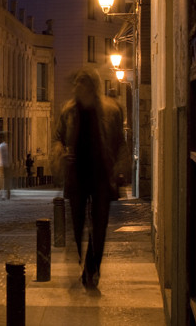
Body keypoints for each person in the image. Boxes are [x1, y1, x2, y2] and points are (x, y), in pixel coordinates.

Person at [52, 67, 129, 290]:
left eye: (81, 83)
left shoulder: (111, 110)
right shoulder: (68, 111)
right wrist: (61, 154)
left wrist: (119, 168)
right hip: (76, 177)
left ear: (92, 87)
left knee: (99, 225)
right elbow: (57, 138)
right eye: (75, 83)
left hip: (102, 177)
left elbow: (121, 142)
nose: (76, 87)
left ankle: (92, 267)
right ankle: (84, 258)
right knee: (77, 225)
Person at [0, 134, 12, 200]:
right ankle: (7, 194)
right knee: (6, 180)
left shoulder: (0, 146)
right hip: (6, 165)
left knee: (1, 181)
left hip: (1, 165)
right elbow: (9, 156)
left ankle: (2, 195)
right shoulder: (5, 146)